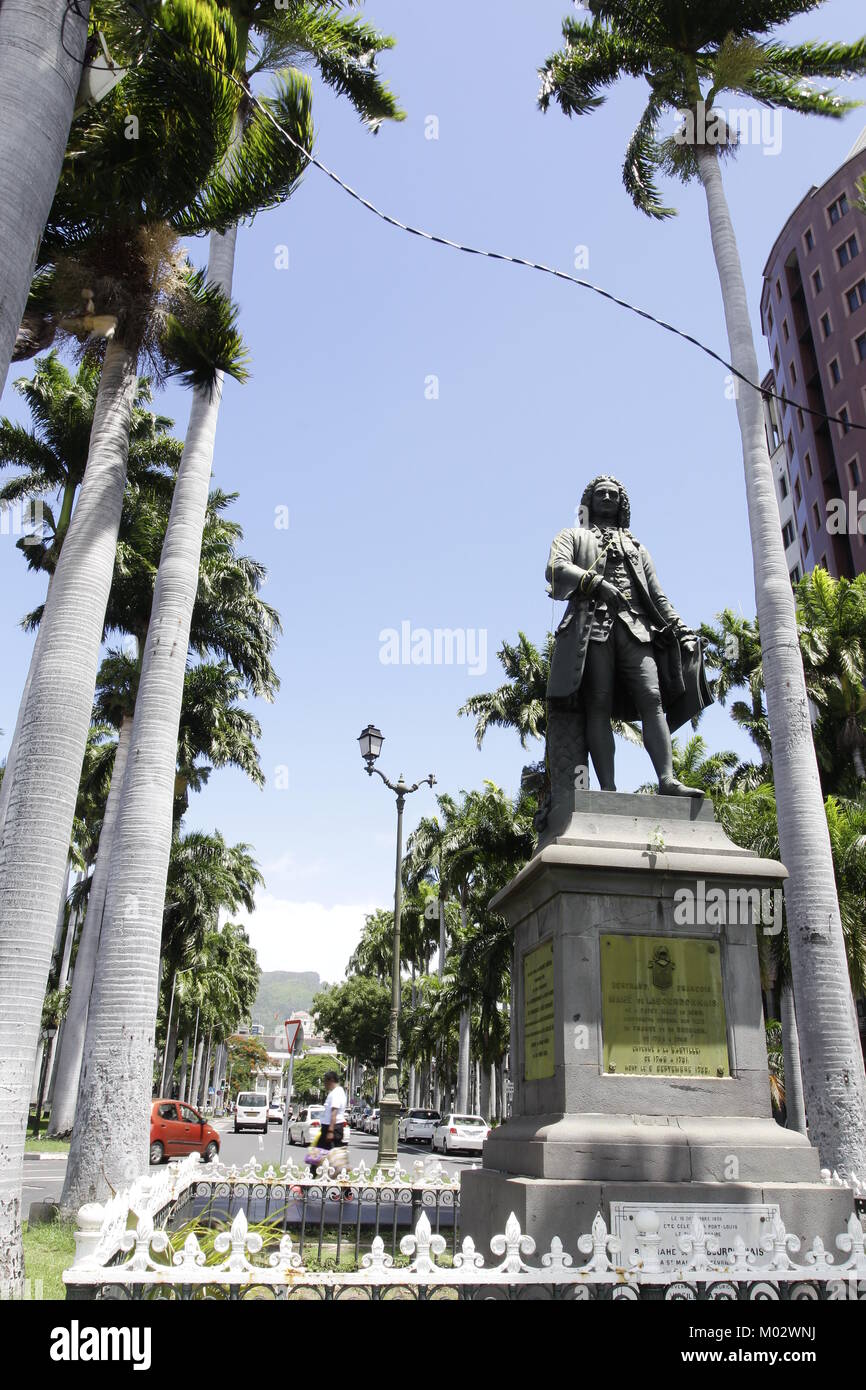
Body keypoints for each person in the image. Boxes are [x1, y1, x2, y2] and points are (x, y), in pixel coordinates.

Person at [543, 474, 712, 821]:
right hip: (593, 627)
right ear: (588, 502)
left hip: (637, 629)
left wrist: (682, 630)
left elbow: (657, 595)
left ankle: (667, 779)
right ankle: (607, 789)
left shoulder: (637, 546)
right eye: (600, 493)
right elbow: (556, 569)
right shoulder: (572, 536)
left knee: (653, 699)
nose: (607, 497)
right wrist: (595, 582)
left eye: (613, 493)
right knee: (598, 705)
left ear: (622, 503)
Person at [319, 1070, 347, 1152]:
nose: (324, 1084)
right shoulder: (336, 1092)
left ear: (331, 1080)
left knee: (319, 1157)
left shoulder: (336, 1093)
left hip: (333, 1128)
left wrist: (330, 1131)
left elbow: (334, 1113)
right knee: (320, 1156)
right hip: (330, 1128)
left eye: (325, 1081)